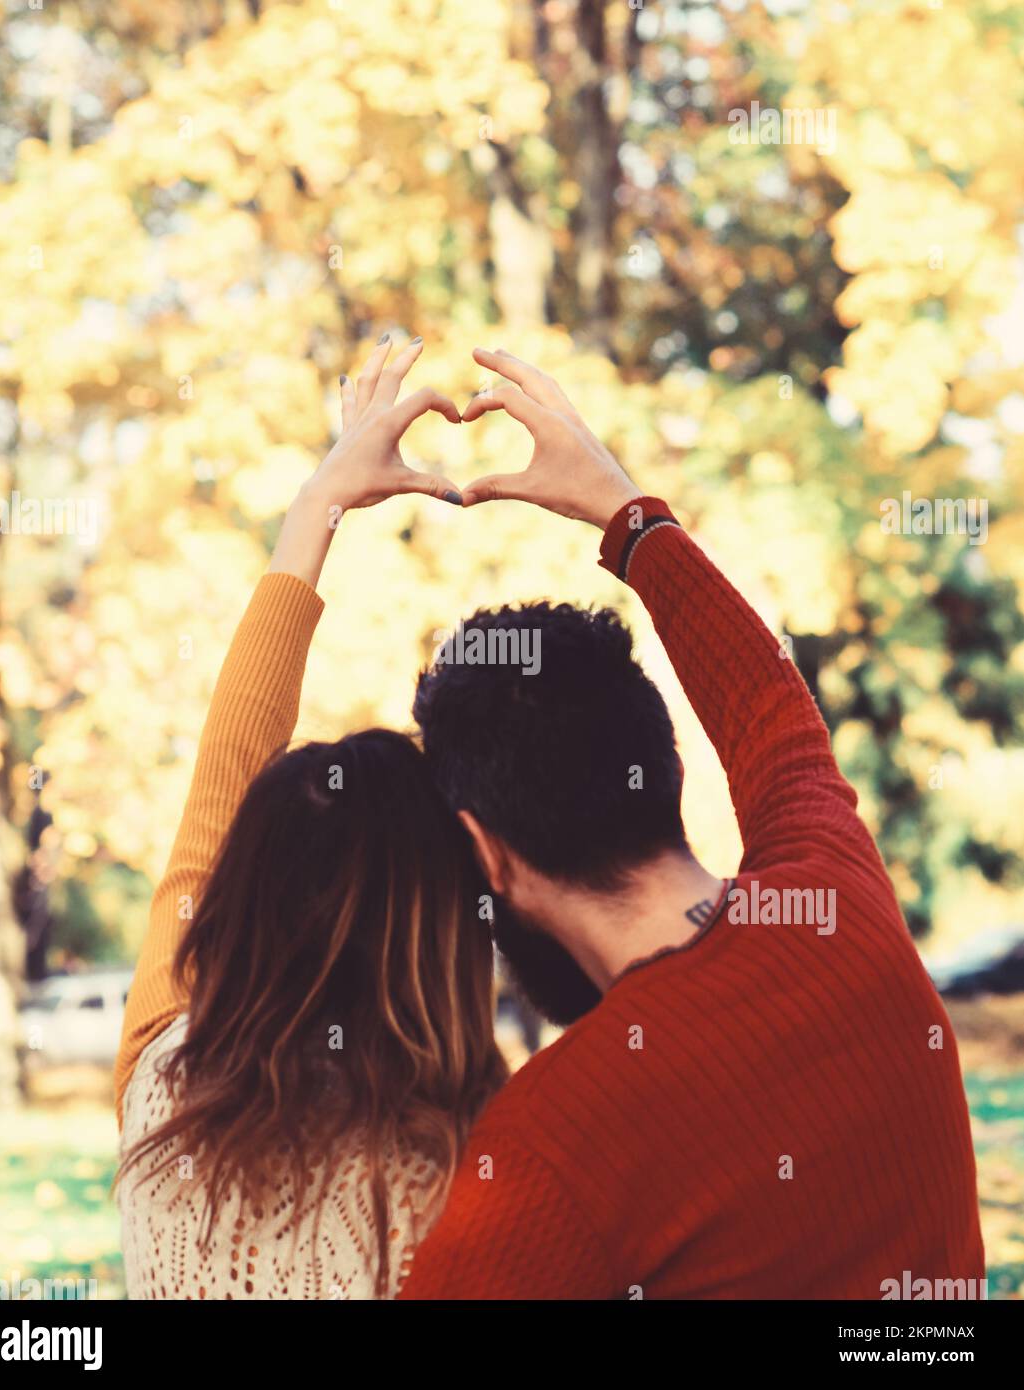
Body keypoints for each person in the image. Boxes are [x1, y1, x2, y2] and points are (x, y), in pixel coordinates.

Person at [400, 346, 985, 1299]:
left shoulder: (547, 1152)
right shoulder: (841, 910)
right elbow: (773, 715)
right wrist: (628, 518)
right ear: (666, 764)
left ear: (484, 854)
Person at [114, 336, 507, 1300]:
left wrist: (318, 507)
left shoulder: (158, 1092)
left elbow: (221, 784)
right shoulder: (481, 1169)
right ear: (444, 920)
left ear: (241, 896)